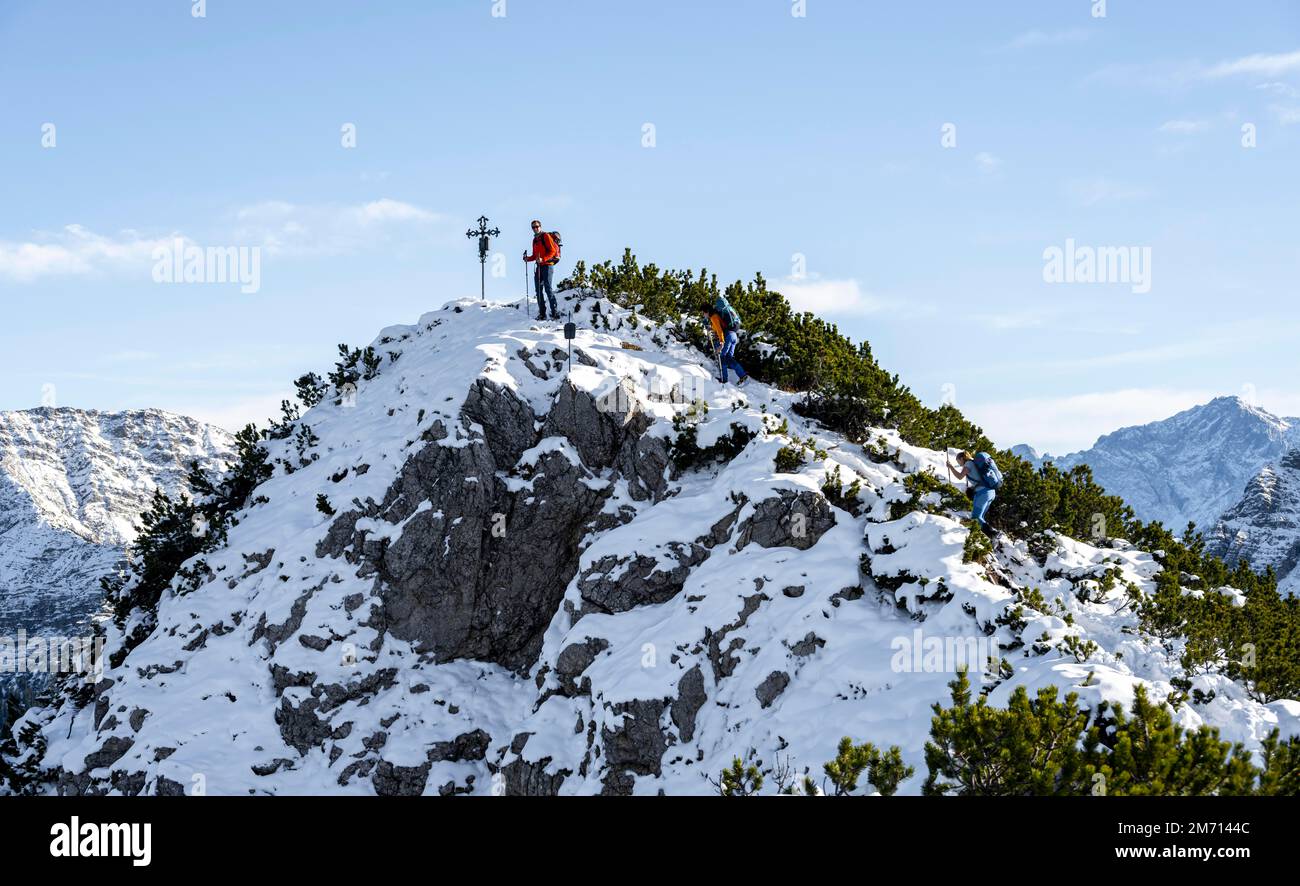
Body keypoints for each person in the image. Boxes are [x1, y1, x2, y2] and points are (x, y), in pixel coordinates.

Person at [947, 450, 996, 536]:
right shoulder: (974, 463)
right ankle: (987, 536)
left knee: (976, 517)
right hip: (990, 492)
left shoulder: (968, 464)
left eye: (958, 461)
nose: (958, 463)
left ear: (961, 459)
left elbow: (959, 476)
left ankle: (993, 534)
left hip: (983, 493)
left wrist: (951, 467)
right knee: (980, 517)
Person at [523, 221, 560, 320]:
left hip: (547, 266)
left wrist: (543, 259)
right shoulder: (535, 240)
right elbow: (535, 256)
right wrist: (528, 259)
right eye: (533, 227)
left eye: (537, 226)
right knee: (538, 290)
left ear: (540, 226)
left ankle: (555, 312)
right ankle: (542, 313)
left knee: (548, 288)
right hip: (539, 267)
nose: (535, 228)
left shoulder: (545, 236)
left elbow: (552, 251)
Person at [707, 295, 748, 385]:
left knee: (722, 357)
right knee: (729, 358)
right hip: (734, 335)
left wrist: (721, 342)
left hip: (728, 335)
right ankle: (742, 374)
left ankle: (724, 379)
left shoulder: (715, 315)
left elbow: (719, 329)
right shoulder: (729, 309)